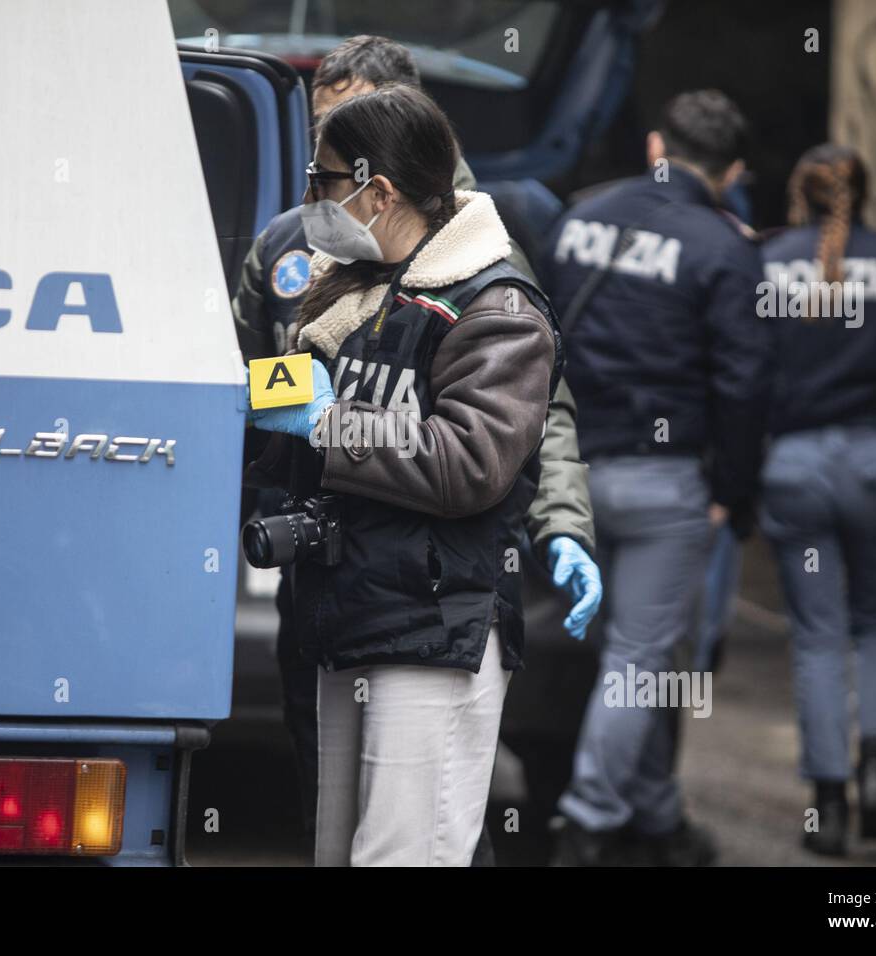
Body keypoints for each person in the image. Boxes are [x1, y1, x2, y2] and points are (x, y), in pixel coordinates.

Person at [232, 35, 600, 850]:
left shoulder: (490, 294)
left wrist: (563, 525)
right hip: (339, 609)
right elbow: (275, 389)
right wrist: (246, 411)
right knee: (340, 847)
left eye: (323, 177)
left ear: (379, 185)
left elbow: (489, 448)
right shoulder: (336, 282)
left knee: (409, 847)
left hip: (432, 621)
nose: (308, 197)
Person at [540, 90, 775, 866]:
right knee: (639, 663)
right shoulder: (725, 249)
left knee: (618, 655)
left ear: (654, 148)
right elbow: (745, 387)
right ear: (732, 170)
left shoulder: (578, 220)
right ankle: (586, 821)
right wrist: (731, 496)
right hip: (662, 483)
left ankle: (657, 815)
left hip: (566, 473)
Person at [759, 144, 876, 857]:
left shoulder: (769, 262)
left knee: (817, 636)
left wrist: (741, 476)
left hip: (795, 467)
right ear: (864, 196)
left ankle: (829, 804)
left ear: (800, 196)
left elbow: (745, 372)